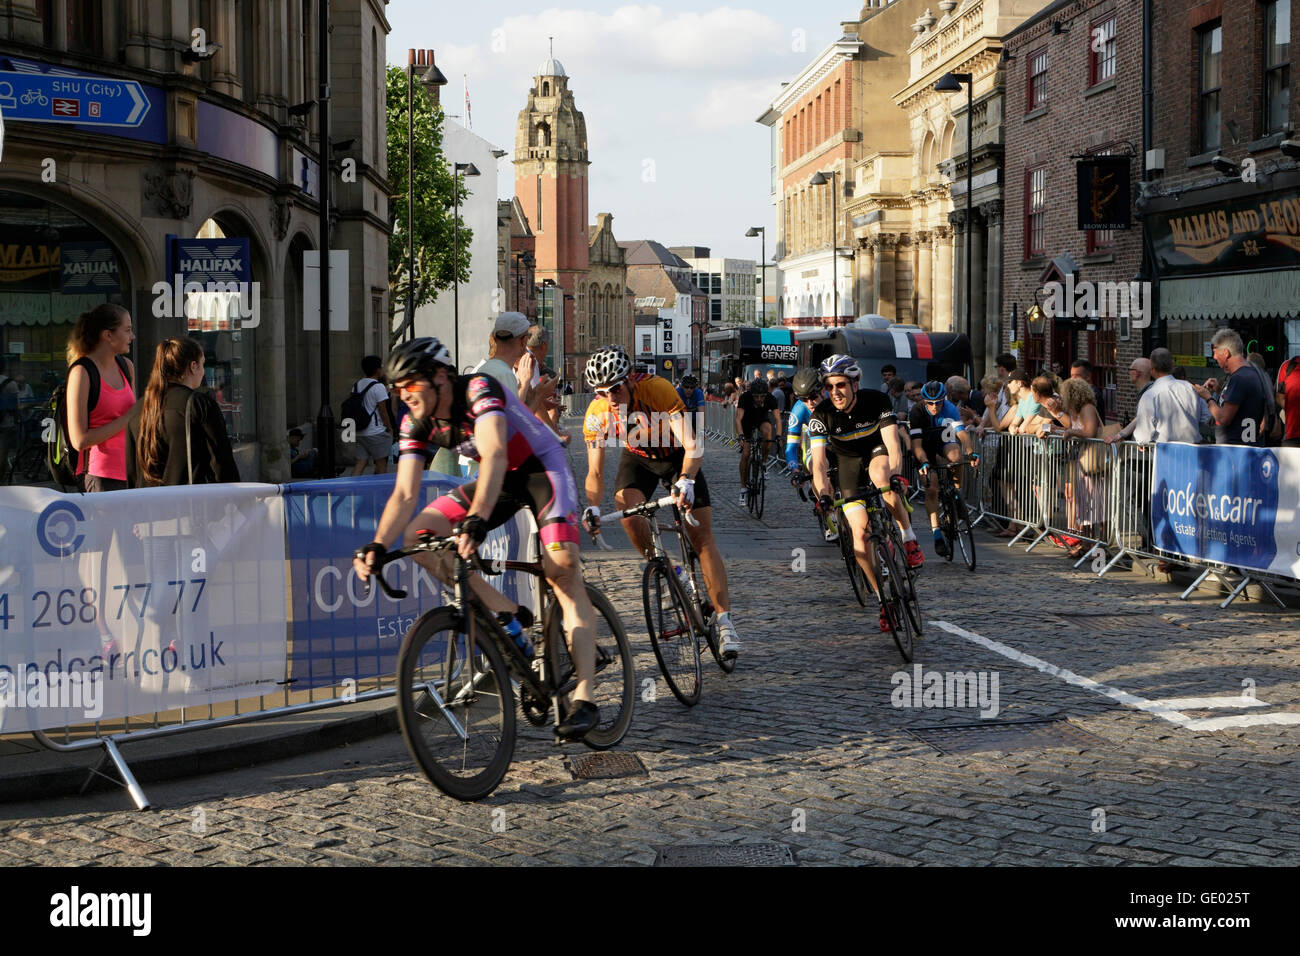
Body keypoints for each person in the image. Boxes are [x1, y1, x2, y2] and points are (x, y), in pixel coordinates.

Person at [353, 336, 600, 740]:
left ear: (438, 378)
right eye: (397, 389)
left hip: (541, 469)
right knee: (420, 535)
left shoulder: (478, 389)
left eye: (409, 385)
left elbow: (496, 453)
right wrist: (378, 544)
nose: (403, 396)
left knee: (562, 569)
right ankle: (505, 610)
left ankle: (586, 698)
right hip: (497, 479)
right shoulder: (414, 419)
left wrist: (476, 520)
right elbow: (403, 493)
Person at [581, 345, 741, 657]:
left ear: (629, 380)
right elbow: (595, 473)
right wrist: (592, 506)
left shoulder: (657, 389)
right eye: (601, 392)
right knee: (627, 510)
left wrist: (687, 480)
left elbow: (693, 445)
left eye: (615, 389)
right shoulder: (597, 414)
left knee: (702, 538)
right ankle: (667, 570)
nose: (610, 398)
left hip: (676, 456)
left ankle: (724, 622)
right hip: (639, 459)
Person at [808, 354, 922, 633]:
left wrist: (896, 475)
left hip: (876, 453)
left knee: (882, 478)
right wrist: (823, 493)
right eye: (830, 387)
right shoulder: (820, 415)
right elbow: (821, 462)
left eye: (841, 385)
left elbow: (893, 443)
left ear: (855, 384)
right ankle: (883, 599)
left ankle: (908, 538)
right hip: (847, 464)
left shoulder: (876, 401)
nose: (835, 392)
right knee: (859, 535)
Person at [129, 337, 240, 486]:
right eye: (202, 365)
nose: (203, 373)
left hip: (148, 504)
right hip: (190, 503)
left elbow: (132, 471)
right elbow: (221, 462)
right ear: (193, 366)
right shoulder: (199, 404)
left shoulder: (139, 408)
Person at [66, 303, 137, 492]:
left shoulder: (126, 366)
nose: (132, 337)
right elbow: (79, 440)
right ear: (108, 335)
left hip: (133, 471)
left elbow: (132, 422)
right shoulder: (82, 372)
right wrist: (129, 417)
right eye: (127, 330)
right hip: (101, 476)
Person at [910, 380, 978, 558]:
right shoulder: (917, 411)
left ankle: (957, 493)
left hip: (942, 441)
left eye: (938, 402)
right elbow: (916, 445)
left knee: (957, 457)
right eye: (930, 403)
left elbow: (962, 434)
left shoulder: (950, 409)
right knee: (931, 487)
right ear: (924, 401)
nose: (934, 406)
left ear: (944, 399)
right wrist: (924, 462)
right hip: (924, 447)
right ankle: (937, 534)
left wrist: (971, 453)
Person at [1045, 377, 1103, 557]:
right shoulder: (1078, 412)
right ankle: (1086, 544)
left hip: (1094, 462)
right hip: (1083, 460)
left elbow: (1089, 432)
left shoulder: (1087, 408)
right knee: (1084, 505)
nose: (1062, 399)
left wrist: (1070, 432)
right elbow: (1077, 429)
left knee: (1095, 505)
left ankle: (1096, 545)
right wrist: (1062, 431)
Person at [1109, 347, 1209, 446]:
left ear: (1152, 369)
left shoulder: (1150, 395)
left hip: (1165, 453)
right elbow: (1206, 417)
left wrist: (1142, 442)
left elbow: (1143, 436)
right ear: (1171, 366)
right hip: (1193, 451)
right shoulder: (1190, 388)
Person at [785, 368, 837, 542]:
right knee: (819, 466)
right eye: (803, 399)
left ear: (823, 390)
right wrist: (794, 469)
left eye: (813, 397)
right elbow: (790, 448)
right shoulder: (798, 410)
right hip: (813, 442)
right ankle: (830, 514)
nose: (810, 403)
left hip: (835, 441)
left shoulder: (835, 398)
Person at [1192, 329, 1268, 446]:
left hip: (1236, 450)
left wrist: (1207, 397)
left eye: (1215, 352)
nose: (1214, 357)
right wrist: (1219, 390)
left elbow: (1223, 419)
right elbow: (1240, 402)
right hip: (1246, 446)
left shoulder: (1240, 378)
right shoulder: (1249, 373)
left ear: (1226, 353)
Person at [347, 355, 394, 476]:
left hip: (359, 431)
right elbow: (383, 412)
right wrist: (389, 428)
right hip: (375, 432)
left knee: (360, 463)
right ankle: (379, 491)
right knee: (381, 465)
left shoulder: (356, 385)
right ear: (378, 369)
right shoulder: (378, 387)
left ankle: (352, 490)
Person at [735, 377, 778, 506]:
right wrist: (741, 435)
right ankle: (743, 488)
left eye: (762, 396)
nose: (759, 399)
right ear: (751, 394)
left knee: (767, 432)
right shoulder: (745, 397)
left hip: (761, 419)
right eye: (756, 396)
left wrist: (780, 436)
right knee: (746, 454)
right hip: (746, 422)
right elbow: (738, 419)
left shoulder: (771, 398)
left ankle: (764, 463)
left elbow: (778, 419)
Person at [1277, 349, 1300, 449]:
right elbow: (1279, 397)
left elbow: (1279, 397)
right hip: (1292, 435)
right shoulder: (1288, 366)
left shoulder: (1287, 366)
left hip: (1291, 436)